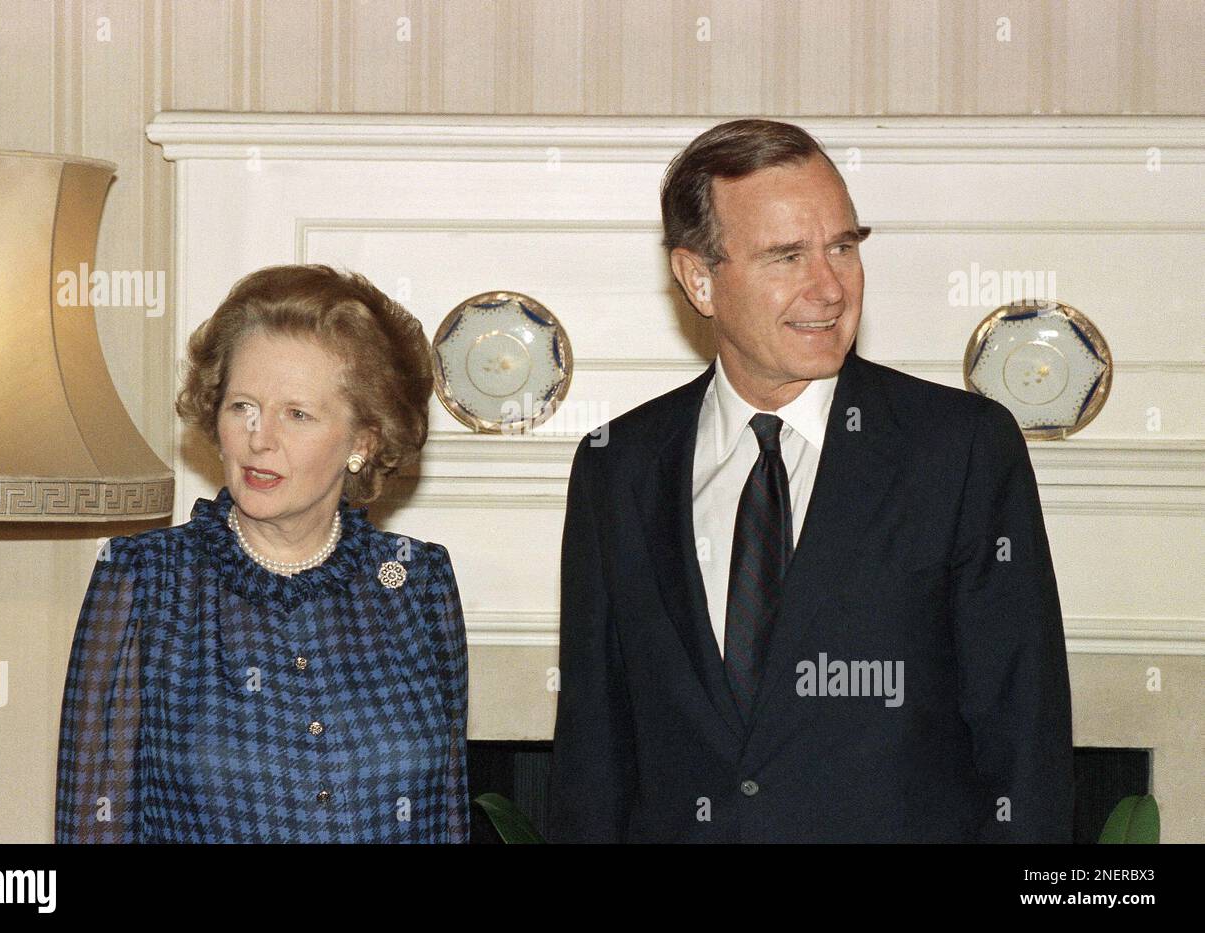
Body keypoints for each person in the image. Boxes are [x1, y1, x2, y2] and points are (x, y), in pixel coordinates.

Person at [549, 119, 1074, 843]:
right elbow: (592, 752)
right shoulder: (618, 465)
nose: (829, 287)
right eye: (787, 255)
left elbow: (1026, 740)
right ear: (699, 279)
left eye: (843, 246)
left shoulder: (962, 450)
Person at [55, 264, 468, 843]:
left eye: (296, 414)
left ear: (363, 440)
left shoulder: (417, 583)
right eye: (242, 406)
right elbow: (93, 824)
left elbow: (445, 820)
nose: (259, 437)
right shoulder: (144, 582)